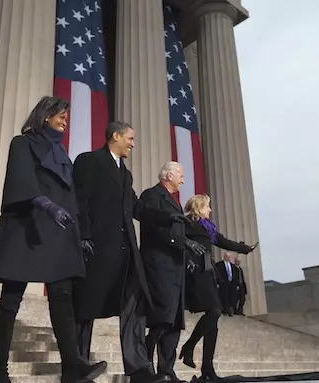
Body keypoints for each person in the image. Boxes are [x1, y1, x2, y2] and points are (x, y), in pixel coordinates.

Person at [0, 96, 107, 383]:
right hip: (26, 229)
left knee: (62, 297)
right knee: (11, 300)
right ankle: (0, 372)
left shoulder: (62, 154)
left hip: (58, 234)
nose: (65, 120)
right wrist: (46, 205)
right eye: (61, 115)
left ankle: (71, 365)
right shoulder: (23, 143)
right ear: (45, 115)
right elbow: (21, 180)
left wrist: (81, 234)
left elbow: (71, 197)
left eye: (66, 117)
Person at [72, 121, 191, 383]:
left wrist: (169, 217)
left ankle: (138, 369)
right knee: (86, 306)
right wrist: (84, 235)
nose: (133, 144)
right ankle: (77, 365)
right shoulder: (89, 161)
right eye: (130, 138)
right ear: (115, 136)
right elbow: (78, 199)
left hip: (127, 254)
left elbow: (136, 208)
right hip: (97, 248)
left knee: (135, 308)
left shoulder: (125, 174)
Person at [139, 162, 207, 383]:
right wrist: (184, 243)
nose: (183, 180)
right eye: (180, 175)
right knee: (163, 317)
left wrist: (186, 255)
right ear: (168, 175)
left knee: (175, 320)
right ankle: (145, 365)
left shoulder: (176, 205)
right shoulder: (152, 196)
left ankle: (166, 369)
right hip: (158, 265)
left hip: (176, 266)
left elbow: (177, 233)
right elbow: (153, 227)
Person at [179, 194, 256, 381]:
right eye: (207, 207)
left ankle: (208, 369)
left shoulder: (208, 227)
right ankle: (188, 346)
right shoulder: (187, 222)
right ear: (198, 207)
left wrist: (243, 249)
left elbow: (222, 241)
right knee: (214, 311)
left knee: (213, 322)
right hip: (195, 273)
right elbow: (179, 242)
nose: (210, 210)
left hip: (208, 273)